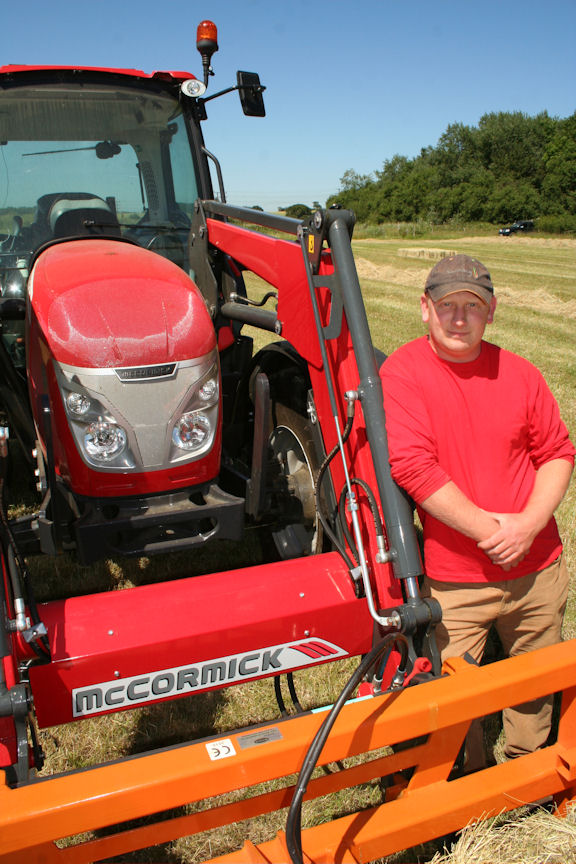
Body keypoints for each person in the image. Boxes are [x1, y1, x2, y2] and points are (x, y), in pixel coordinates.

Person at [380, 253, 575, 771]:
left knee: (533, 680)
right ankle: (462, 776)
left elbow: (557, 452)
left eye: (473, 305)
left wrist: (530, 525)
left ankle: (525, 766)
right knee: (449, 693)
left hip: (538, 567)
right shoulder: (401, 375)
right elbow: (415, 470)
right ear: (425, 308)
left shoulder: (520, 373)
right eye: (448, 305)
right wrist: (496, 533)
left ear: (493, 311)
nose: (460, 318)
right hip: (457, 577)